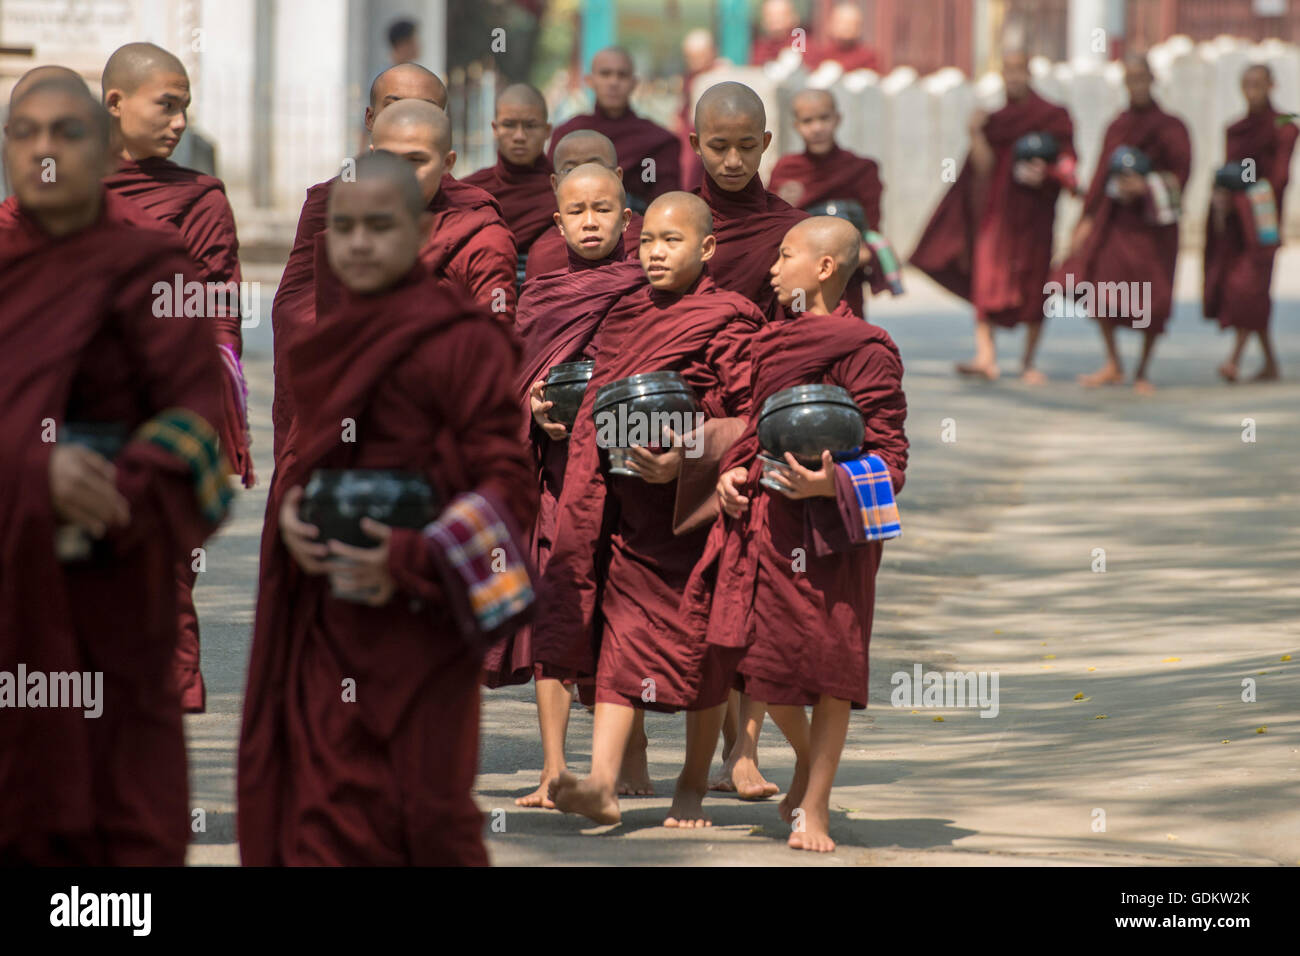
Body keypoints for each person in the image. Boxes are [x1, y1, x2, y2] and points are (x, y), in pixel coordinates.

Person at [237, 152, 536, 865]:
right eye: (344, 228)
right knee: (320, 810)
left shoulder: (459, 339)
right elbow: (312, 462)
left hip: (420, 628)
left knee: (422, 818)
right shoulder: (326, 337)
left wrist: (410, 556)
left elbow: (506, 483)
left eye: (380, 225)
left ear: (416, 233)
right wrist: (291, 522)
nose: (360, 243)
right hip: (329, 617)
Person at [0, 74, 230, 865]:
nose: (44, 150)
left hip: (115, 596)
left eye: (65, 132)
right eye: (24, 133)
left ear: (100, 147)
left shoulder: (154, 264)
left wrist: (110, 490)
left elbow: (199, 430)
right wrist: (32, 474)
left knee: (120, 838)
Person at [535, 192, 764, 827]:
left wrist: (686, 459)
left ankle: (691, 785)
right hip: (630, 513)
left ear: (707, 249)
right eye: (647, 244)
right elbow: (597, 398)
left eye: (672, 242)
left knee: (701, 654)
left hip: (697, 519)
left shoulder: (729, 318)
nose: (655, 254)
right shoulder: (627, 311)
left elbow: (750, 416)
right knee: (621, 643)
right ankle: (603, 781)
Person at [683, 216, 908, 853]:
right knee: (751, 656)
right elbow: (751, 428)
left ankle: (816, 805)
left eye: (786, 257)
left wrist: (827, 487)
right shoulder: (772, 341)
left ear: (825, 269)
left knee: (833, 667)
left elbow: (890, 453)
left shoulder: (868, 349)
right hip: (769, 524)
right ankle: (808, 763)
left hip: (836, 532)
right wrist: (729, 475)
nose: (773, 269)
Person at [100, 41, 252, 713]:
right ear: (115, 103)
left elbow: (220, 311)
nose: (179, 122)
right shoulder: (69, 192)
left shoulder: (202, 199)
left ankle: (172, 690)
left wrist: (211, 407)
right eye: (166, 105)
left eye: (185, 107)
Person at [495, 163, 649, 807]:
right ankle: (553, 766)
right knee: (556, 605)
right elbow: (511, 377)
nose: (591, 222)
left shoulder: (645, 289)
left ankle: (627, 760)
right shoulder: (542, 295)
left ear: (626, 217)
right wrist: (531, 403)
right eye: (578, 212)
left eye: (604, 210)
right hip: (558, 475)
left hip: (623, 477)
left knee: (622, 609)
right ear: (558, 221)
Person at [910, 48, 1076, 383]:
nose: (1013, 78)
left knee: (1035, 284)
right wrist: (975, 133)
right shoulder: (995, 121)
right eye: (1008, 71)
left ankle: (1028, 362)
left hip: (1035, 218)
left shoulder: (1052, 115)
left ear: (1029, 73)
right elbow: (983, 168)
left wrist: (1050, 173)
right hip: (996, 218)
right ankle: (986, 356)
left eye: (1019, 70)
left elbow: (1068, 161)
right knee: (986, 281)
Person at [1062, 55, 1190, 394]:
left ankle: (1143, 369)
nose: (1136, 86)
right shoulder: (1118, 125)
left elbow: (1182, 174)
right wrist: (1086, 220)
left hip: (1153, 225)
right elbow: (1102, 173)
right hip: (1116, 221)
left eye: (1141, 78)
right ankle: (1114, 362)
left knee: (1153, 296)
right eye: (1130, 79)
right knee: (1101, 289)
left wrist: (1146, 186)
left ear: (1152, 80)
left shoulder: (1171, 126)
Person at [1204, 63, 1297, 382]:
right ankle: (1270, 363)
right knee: (1248, 290)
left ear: (1272, 85)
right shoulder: (1236, 127)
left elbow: (1280, 178)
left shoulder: (1285, 124)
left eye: (1259, 84)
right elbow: (1232, 171)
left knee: (1249, 287)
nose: (1253, 91)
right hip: (1235, 221)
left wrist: (1247, 195)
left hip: (1264, 219)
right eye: (1247, 85)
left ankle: (1234, 359)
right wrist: (1223, 197)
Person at [769, 88, 896, 316]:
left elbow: (871, 227)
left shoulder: (861, 169)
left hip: (847, 275)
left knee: (847, 331)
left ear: (837, 119)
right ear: (796, 126)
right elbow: (775, 225)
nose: (817, 128)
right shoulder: (787, 170)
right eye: (808, 121)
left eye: (824, 118)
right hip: (800, 275)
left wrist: (855, 254)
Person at [691, 81, 808, 319]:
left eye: (747, 146)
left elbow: (807, 328)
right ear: (696, 144)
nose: (733, 161)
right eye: (719, 147)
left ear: (765, 143)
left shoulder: (794, 230)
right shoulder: (676, 222)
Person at [547, 47, 681, 212]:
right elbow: (549, 193)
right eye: (605, 74)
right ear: (589, 81)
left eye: (622, 75)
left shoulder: (656, 140)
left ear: (634, 84)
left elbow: (665, 202)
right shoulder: (568, 133)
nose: (613, 82)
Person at [460, 83, 555, 279]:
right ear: (495, 129)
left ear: (547, 130)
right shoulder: (470, 190)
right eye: (509, 125)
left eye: (530, 125)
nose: (519, 136)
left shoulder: (563, 192)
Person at [525, 129, 643, 280]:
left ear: (618, 176)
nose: (585, 174)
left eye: (596, 166)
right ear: (554, 184)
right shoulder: (544, 253)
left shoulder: (645, 237)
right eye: (570, 169)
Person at [679, 28, 718, 193]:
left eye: (699, 56)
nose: (694, 62)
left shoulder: (721, 75)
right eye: (690, 57)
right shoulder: (689, 78)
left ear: (711, 52)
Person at [809, 3, 878, 72]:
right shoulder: (821, 55)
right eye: (842, 23)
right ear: (831, 25)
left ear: (859, 28)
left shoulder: (867, 58)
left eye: (852, 24)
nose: (847, 28)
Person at [751, 0, 803, 65]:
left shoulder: (801, 46)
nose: (775, 19)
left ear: (793, 18)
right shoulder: (759, 48)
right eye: (770, 15)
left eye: (781, 15)